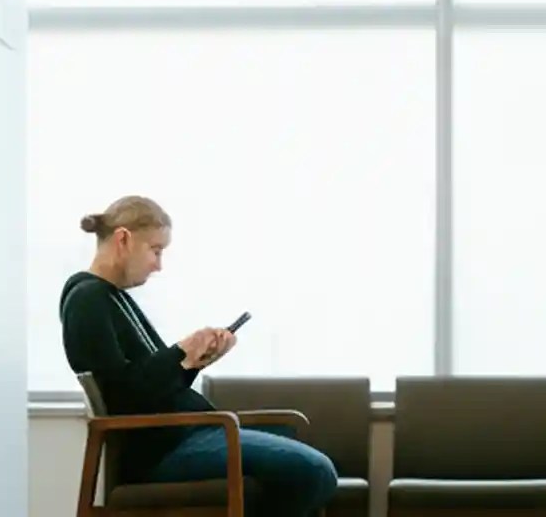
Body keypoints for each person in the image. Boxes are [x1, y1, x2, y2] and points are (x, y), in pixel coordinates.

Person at [59, 195, 337, 516]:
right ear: (123, 239)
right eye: (156, 250)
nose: (158, 265)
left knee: (290, 439)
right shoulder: (88, 300)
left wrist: (194, 361)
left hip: (177, 435)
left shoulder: (110, 298)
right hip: (164, 449)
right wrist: (180, 353)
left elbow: (147, 384)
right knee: (315, 471)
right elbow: (123, 397)